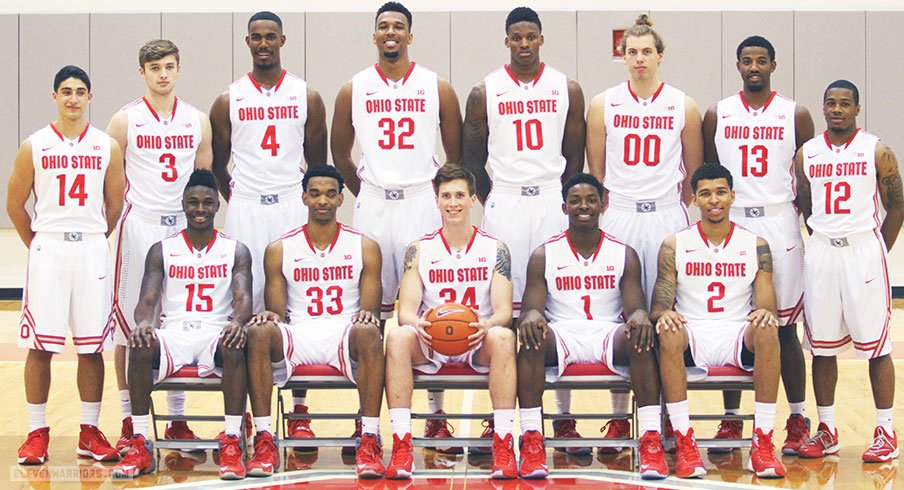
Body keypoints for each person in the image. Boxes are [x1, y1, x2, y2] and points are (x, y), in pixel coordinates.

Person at [331, 1, 463, 452]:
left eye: (398, 27)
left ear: (410, 35)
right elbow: (339, 154)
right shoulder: (354, 88)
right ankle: (363, 419)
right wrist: (367, 190)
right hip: (373, 204)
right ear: (374, 36)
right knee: (367, 311)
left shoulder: (436, 86)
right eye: (383, 27)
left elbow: (455, 155)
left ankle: (437, 415)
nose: (391, 33)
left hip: (419, 201)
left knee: (431, 308)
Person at [462, 7, 585, 449]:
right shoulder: (485, 90)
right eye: (517, 37)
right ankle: (502, 419)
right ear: (507, 40)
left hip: (551, 197)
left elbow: (574, 156)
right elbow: (471, 155)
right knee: (505, 313)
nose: (525, 44)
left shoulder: (566, 87)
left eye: (531, 36)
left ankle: (563, 416)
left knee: (556, 307)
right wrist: (495, 193)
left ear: (541, 38)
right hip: (507, 201)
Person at [585, 13, 703, 449]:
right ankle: (620, 418)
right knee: (622, 314)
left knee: (667, 313)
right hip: (621, 214)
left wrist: (671, 205)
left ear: (660, 56)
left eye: (646, 52)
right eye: (631, 52)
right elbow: (596, 172)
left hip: (668, 214)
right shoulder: (603, 104)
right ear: (623, 56)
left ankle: (670, 418)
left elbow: (693, 173)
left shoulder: (682, 105)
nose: (638, 59)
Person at [209, 10, 328, 441]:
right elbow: (218, 166)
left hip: (291, 208)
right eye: (256, 37)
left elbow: (317, 164)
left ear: (283, 40)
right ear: (247, 42)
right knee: (243, 307)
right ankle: (241, 415)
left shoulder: (306, 96)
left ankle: (298, 410)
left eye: (270, 37)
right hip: (244, 207)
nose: (263, 44)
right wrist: (239, 197)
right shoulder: (228, 99)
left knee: (292, 305)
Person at [702, 35, 815, 455]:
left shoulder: (795, 114)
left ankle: (798, 418)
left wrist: (810, 228)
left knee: (784, 327)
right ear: (737, 66)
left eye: (761, 61)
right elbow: (710, 171)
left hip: (779, 219)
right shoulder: (718, 113)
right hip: (733, 220)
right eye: (747, 61)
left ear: (773, 65)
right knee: (734, 322)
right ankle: (732, 421)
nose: (754, 67)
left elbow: (805, 179)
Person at [9, 65, 125, 465]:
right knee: (40, 346)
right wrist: (38, 243)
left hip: (91, 248)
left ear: (90, 97)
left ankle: (90, 432)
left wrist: (92, 239)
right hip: (50, 250)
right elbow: (14, 204)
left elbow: (114, 205)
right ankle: (37, 431)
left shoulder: (106, 145)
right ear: (54, 96)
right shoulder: (35, 145)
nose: (73, 98)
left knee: (92, 346)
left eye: (80, 91)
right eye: (65, 91)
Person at [516, 173, 666, 480]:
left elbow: (635, 307)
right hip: (562, 332)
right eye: (575, 201)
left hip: (607, 332)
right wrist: (530, 316)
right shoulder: (544, 254)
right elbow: (531, 309)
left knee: (641, 335)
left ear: (603, 204)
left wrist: (639, 316)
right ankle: (532, 438)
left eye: (591, 200)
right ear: (564, 207)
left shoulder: (624, 253)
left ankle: (651, 439)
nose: (583, 206)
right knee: (531, 338)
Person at [243, 165, 387, 479]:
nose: (323, 200)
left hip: (344, 333)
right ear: (304, 198)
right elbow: (278, 315)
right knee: (259, 332)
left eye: (330, 194)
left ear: (341, 199)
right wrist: (270, 318)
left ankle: (369, 437)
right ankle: (265, 438)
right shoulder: (280, 249)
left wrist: (368, 317)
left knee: (370, 332)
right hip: (301, 333)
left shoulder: (365, 246)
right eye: (316, 193)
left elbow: (370, 310)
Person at [106, 39, 214, 453]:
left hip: (182, 231)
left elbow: (203, 185)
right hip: (139, 227)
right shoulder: (124, 121)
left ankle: (177, 420)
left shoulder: (197, 120)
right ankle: (129, 421)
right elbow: (110, 186)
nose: (163, 74)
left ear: (178, 68)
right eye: (155, 68)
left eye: (169, 66)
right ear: (143, 73)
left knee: (177, 319)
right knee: (128, 328)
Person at [112, 169, 253, 479]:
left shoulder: (236, 250)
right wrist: (142, 324)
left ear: (218, 206)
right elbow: (147, 300)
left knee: (234, 346)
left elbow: (244, 300)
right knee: (138, 345)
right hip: (174, 332)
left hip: (215, 332)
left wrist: (238, 323)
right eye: (193, 202)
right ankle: (139, 441)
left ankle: (231, 440)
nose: (199, 209)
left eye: (206, 203)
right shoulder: (162, 249)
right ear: (183, 204)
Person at [383, 164, 517, 480]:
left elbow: (504, 311)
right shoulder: (419, 249)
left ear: (473, 199)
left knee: (504, 337)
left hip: (476, 340)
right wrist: (419, 325)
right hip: (431, 341)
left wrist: (487, 324)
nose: (452, 203)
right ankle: (402, 444)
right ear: (437, 200)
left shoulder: (496, 249)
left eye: (459, 195)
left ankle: (503, 443)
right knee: (398, 337)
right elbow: (406, 311)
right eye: (446, 196)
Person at [651, 164, 785, 479]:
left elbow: (766, 307)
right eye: (706, 193)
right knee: (668, 331)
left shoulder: (755, 245)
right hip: (692, 332)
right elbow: (658, 305)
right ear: (694, 199)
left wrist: (767, 314)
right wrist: (664, 314)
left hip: (737, 332)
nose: (715, 200)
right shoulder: (674, 244)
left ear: (732, 196)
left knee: (768, 328)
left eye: (721, 192)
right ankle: (685, 441)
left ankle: (762, 441)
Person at [794, 80, 903, 462]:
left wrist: (876, 251)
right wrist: (825, 241)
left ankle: (885, 431)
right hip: (823, 251)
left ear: (857, 108)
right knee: (821, 347)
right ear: (823, 108)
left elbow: (898, 205)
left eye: (845, 103)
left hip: (863, 250)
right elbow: (806, 205)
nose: (837, 109)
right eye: (830, 103)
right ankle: (827, 430)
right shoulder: (806, 154)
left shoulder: (877, 150)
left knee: (875, 347)